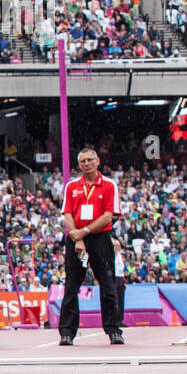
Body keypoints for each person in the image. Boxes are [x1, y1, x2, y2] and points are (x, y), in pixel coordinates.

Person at [58, 147, 124, 345]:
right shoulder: (72, 186)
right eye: (82, 161)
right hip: (75, 238)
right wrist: (77, 238)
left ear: (97, 161)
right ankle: (67, 333)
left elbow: (108, 216)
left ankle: (113, 329)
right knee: (71, 285)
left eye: (89, 160)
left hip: (99, 238)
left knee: (108, 284)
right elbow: (67, 214)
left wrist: (84, 232)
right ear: (78, 165)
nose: (86, 164)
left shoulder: (108, 185)